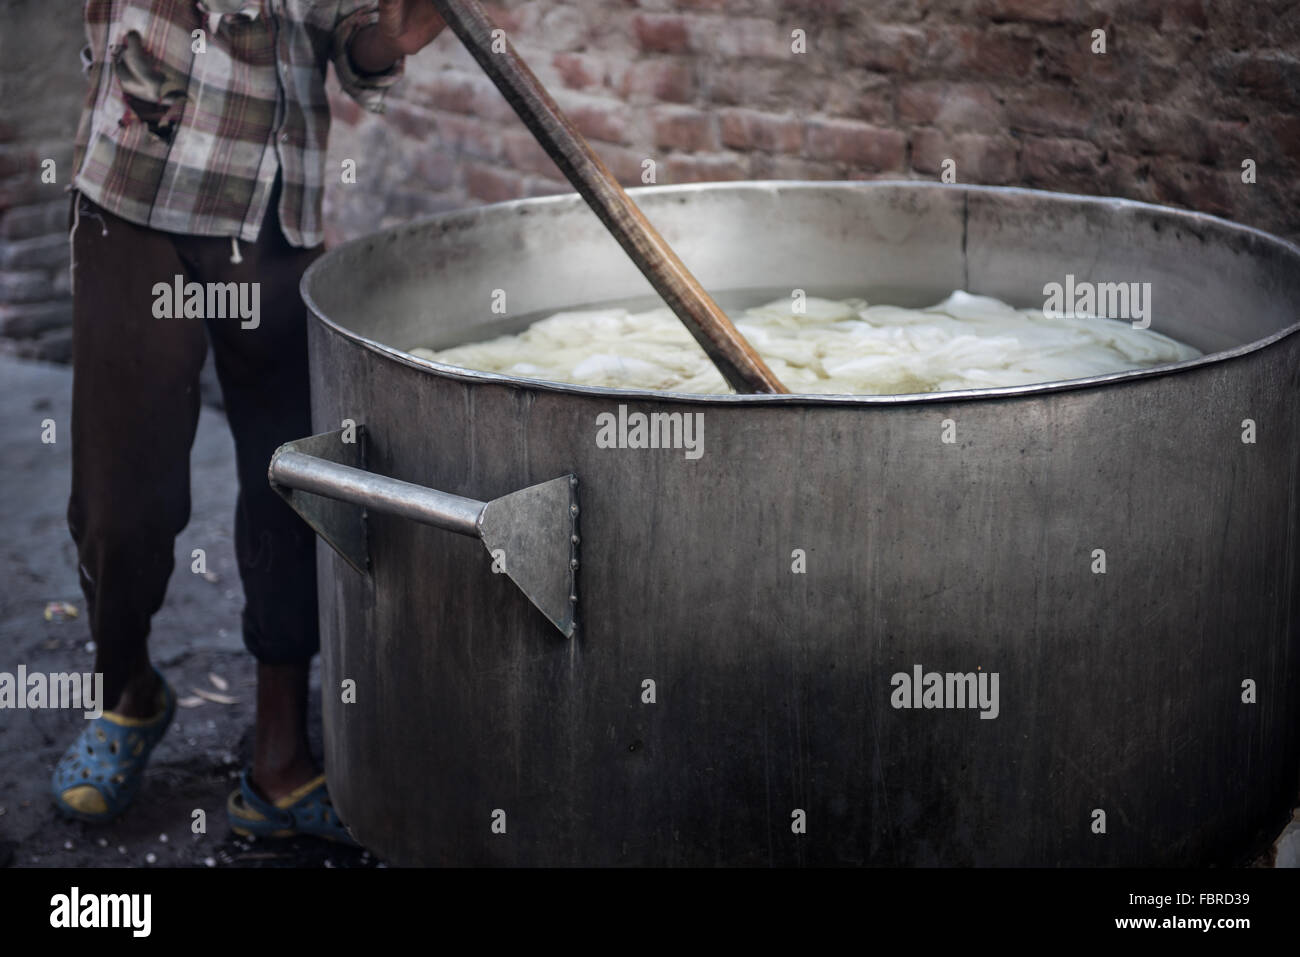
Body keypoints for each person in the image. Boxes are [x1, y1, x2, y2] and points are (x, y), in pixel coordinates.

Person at [53, 0, 445, 843]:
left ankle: (278, 759)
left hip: (274, 208)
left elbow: (354, 46)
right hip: (137, 188)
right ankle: (126, 694)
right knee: (122, 508)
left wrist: (388, 38)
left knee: (289, 487)